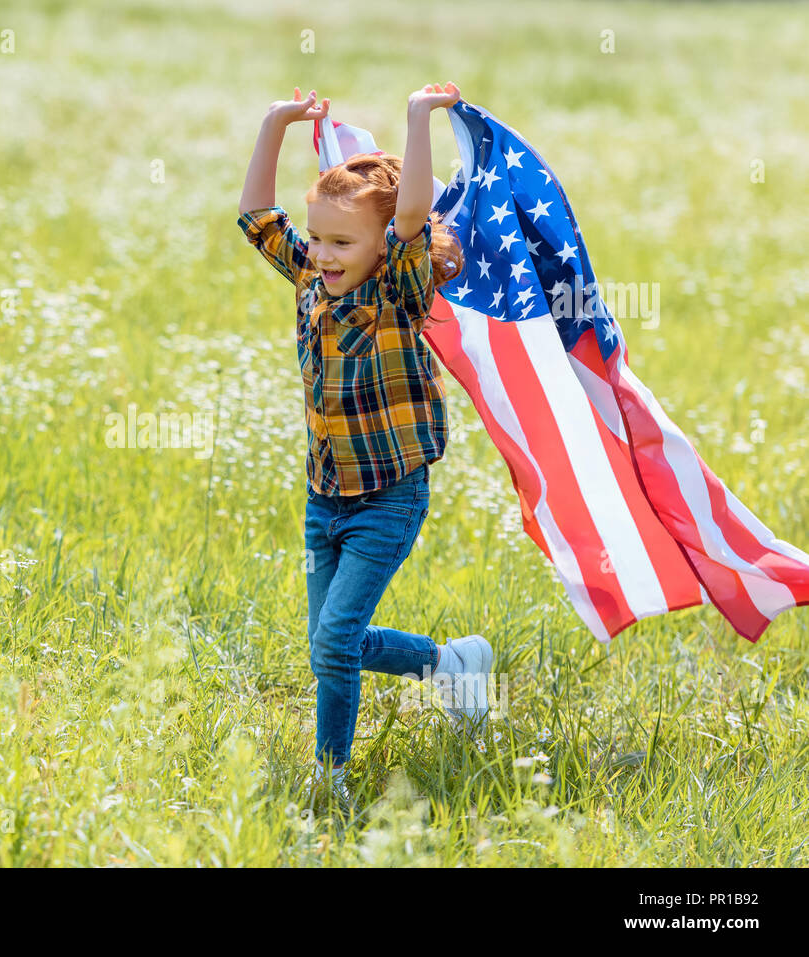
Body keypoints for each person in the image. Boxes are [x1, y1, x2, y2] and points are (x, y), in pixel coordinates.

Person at [236, 84, 493, 818]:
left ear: (382, 247)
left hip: (389, 493)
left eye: (342, 242)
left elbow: (411, 217)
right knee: (330, 642)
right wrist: (273, 123)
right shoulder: (313, 278)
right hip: (325, 496)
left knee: (335, 640)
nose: (322, 254)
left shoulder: (396, 289)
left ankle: (330, 776)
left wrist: (418, 121)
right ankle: (450, 663)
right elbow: (258, 217)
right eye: (317, 238)